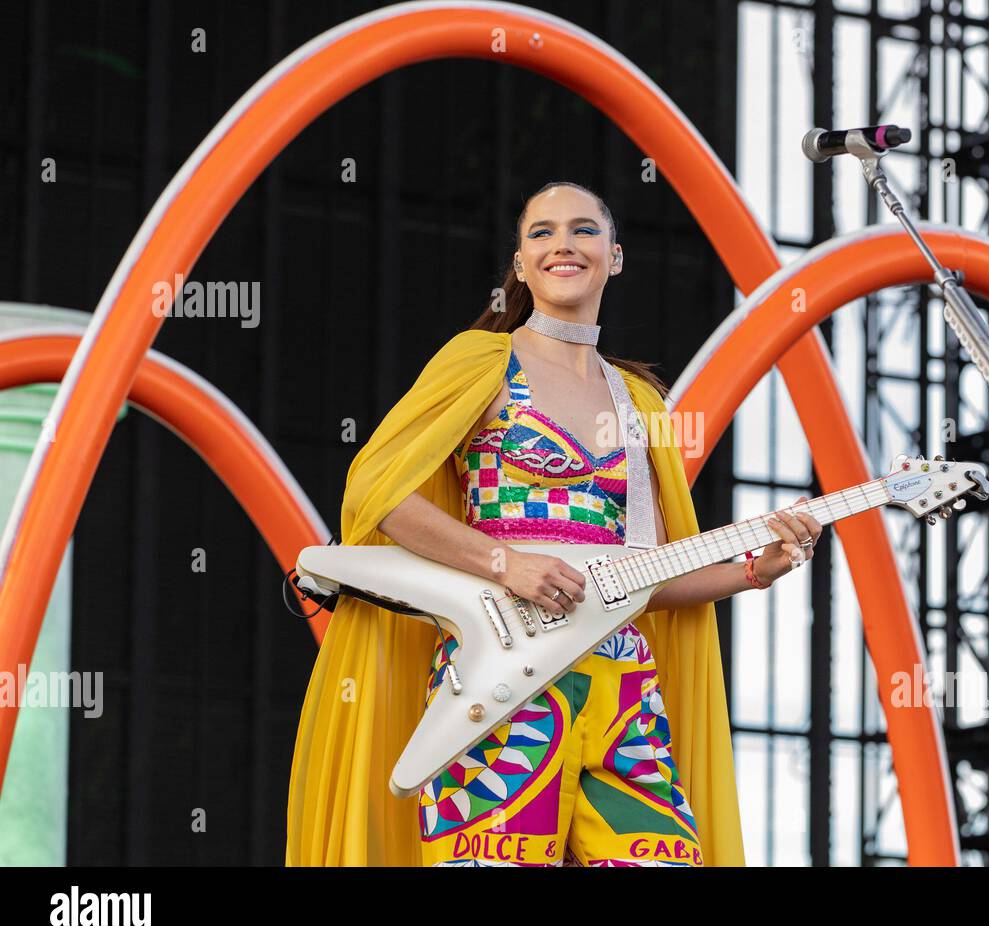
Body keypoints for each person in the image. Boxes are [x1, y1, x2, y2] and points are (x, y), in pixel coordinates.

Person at [285, 181, 821, 867]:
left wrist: (753, 571)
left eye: (583, 230)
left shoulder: (640, 401)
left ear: (616, 256)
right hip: (500, 676)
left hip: (622, 684)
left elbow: (645, 578)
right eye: (542, 232)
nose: (562, 243)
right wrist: (507, 564)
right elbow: (378, 490)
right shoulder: (479, 362)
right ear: (520, 261)